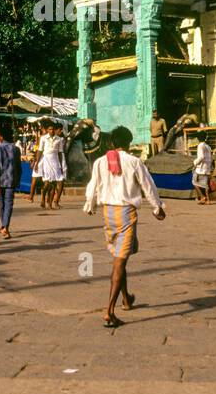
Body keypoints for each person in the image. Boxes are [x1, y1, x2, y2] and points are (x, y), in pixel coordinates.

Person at [83, 126, 166, 329]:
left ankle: (127, 299)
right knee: (119, 261)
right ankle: (109, 311)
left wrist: (89, 204)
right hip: (126, 214)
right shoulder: (134, 161)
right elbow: (148, 185)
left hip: (108, 214)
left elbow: (93, 185)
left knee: (120, 256)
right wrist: (157, 208)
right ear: (128, 143)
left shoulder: (100, 162)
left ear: (111, 143)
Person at [0, 125, 22, 238]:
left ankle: (4, 227)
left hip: (0, 179)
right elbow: (19, 167)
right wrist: (18, 180)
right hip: (11, 179)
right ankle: (5, 226)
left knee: (2, 204)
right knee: (8, 203)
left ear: (1, 137)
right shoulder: (16, 149)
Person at [40, 124, 64, 208]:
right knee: (47, 184)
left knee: (56, 183)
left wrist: (61, 165)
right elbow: (40, 150)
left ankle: (50, 204)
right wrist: (36, 163)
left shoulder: (59, 139)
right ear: (47, 130)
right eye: (50, 129)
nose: (52, 131)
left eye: (53, 129)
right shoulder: (43, 138)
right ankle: (43, 196)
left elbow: (60, 153)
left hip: (55, 161)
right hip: (46, 161)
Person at [192, 131, 214, 204]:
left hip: (200, 168)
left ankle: (202, 197)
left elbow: (201, 157)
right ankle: (208, 200)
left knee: (194, 182)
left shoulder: (200, 145)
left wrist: (195, 163)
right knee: (205, 185)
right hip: (207, 167)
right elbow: (211, 158)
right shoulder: (208, 146)